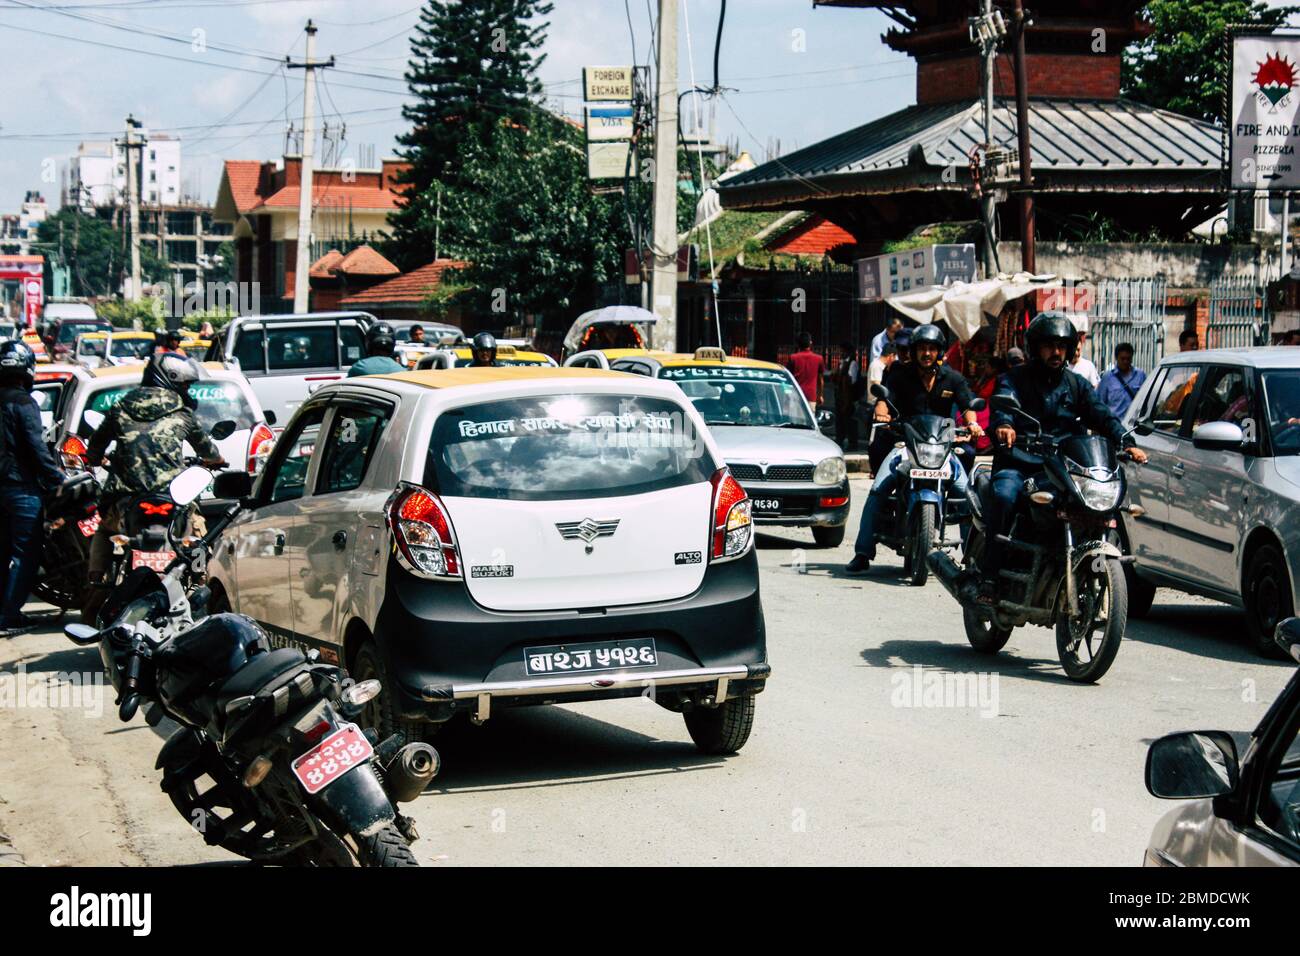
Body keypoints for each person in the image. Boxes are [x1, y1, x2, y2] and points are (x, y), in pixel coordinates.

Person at [978, 313, 1148, 603]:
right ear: (1035, 347)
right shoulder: (1014, 379)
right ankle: (989, 579)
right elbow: (1003, 407)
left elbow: (1102, 415)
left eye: (1061, 346)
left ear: (1070, 350)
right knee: (1004, 496)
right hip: (1019, 461)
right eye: (1048, 346)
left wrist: (1126, 441)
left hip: (1060, 468)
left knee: (1088, 504)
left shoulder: (1076, 384)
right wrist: (1005, 425)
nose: (1056, 352)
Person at [846, 324, 984, 575]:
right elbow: (884, 401)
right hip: (905, 446)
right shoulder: (899, 373)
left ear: (940, 352)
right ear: (915, 350)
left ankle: (973, 559)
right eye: (922, 348)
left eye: (932, 349)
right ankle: (862, 552)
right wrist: (882, 414)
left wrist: (972, 424)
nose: (927, 353)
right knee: (878, 489)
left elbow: (967, 406)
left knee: (966, 494)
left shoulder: (953, 378)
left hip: (942, 448)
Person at [84, 352, 225, 591]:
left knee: (104, 530)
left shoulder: (121, 408)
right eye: (185, 385)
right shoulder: (183, 414)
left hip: (126, 500)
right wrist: (217, 461)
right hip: (173, 498)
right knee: (198, 529)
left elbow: (96, 445)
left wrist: (96, 459)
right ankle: (202, 578)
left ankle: (95, 580)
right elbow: (210, 452)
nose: (187, 390)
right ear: (169, 379)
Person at [0, 341, 66, 635]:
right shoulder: (24, 403)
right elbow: (36, 449)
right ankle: (9, 615)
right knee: (25, 554)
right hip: (20, 490)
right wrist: (56, 481)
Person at [1096, 342, 1147, 419]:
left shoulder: (1140, 376)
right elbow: (1100, 403)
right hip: (1114, 425)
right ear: (1116, 358)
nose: (1125, 362)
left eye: (1128, 359)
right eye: (1122, 359)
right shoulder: (1107, 378)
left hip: (1134, 426)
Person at [831, 342, 862, 450]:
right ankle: (840, 441)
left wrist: (842, 374)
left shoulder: (852, 364)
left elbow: (850, 381)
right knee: (840, 422)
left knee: (850, 422)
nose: (840, 353)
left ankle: (852, 444)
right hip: (840, 396)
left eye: (842, 351)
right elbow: (834, 378)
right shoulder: (841, 363)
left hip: (849, 397)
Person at [787, 332, 825, 406]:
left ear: (798, 344)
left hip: (795, 395)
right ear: (810, 343)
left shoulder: (793, 358)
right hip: (811, 396)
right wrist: (820, 395)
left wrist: (787, 393)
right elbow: (820, 380)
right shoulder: (819, 358)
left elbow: (788, 378)